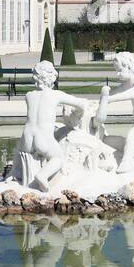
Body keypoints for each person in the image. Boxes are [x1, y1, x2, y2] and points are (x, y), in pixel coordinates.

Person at [17, 60, 93, 192]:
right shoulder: (56, 95)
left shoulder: (28, 95)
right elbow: (80, 104)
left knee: (20, 152)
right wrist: (81, 110)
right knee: (58, 158)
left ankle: (14, 174)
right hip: (43, 137)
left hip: (26, 136)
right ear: (52, 78)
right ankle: (42, 176)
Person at [95, 51, 134, 176]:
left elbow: (132, 93)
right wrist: (103, 98)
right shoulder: (127, 84)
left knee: (132, 135)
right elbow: (114, 93)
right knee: (120, 140)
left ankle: (127, 163)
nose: (117, 74)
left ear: (128, 67)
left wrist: (110, 99)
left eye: (119, 70)